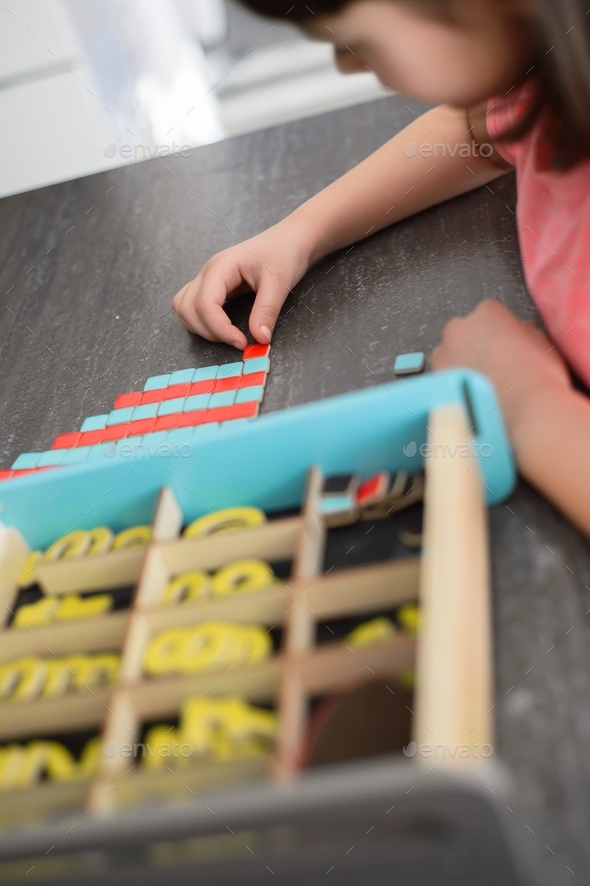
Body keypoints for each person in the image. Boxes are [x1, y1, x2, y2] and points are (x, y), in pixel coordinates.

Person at [172, 0, 590, 535]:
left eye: (354, 41)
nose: (346, 65)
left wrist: (530, 409)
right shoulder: (540, 81)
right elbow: (476, 130)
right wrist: (299, 235)